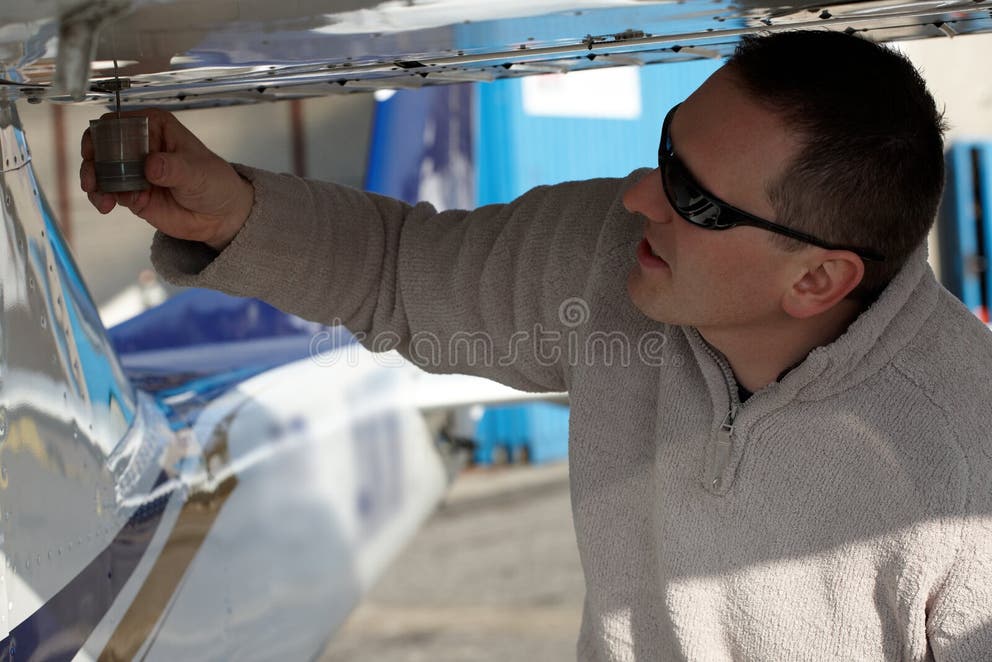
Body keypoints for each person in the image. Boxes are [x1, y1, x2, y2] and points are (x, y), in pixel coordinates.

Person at [81, 30, 991, 661]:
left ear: (817, 282)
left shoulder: (967, 460)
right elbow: (400, 269)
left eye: (697, 200)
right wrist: (233, 210)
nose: (641, 194)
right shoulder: (613, 259)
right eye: (667, 151)